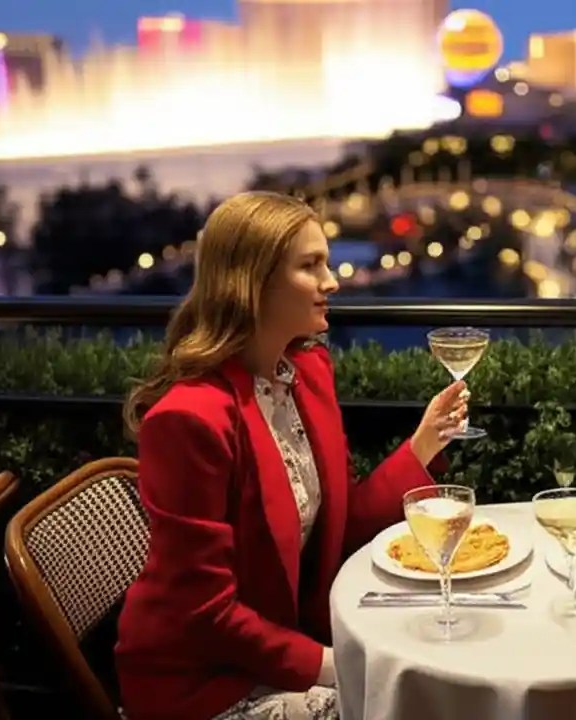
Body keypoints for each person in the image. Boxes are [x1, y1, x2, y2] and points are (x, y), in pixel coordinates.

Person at [116, 191, 467, 720]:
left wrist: (422, 446)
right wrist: (335, 661)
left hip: (279, 649)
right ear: (252, 283)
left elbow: (339, 531)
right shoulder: (190, 419)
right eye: (311, 266)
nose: (333, 281)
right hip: (204, 682)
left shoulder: (306, 376)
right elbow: (205, 614)